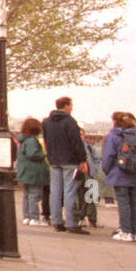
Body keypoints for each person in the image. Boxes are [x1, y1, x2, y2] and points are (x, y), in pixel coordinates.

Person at [42, 96, 89, 233]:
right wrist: (83, 159)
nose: (72, 108)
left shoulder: (46, 122)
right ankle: (71, 222)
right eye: (71, 105)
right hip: (69, 160)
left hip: (54, 160)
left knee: (55, 191)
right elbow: (76, 142)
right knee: (70, 191)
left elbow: (46, 140)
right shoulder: (70, 121)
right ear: (67, 105)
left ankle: (56, 220)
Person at [101, 112, 136, 242]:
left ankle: (126, 231)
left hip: (119, 173)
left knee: (123, 203)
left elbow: (108, 157)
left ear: (114, 121)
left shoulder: (113, 136)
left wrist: (107, 171)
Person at [16, 117, 49, 226]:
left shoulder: (23, 140)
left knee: (27, 195)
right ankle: (34, 217)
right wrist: (43, 155)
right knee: (34, 195)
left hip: (25, 172)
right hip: (33, 173)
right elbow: (32, 154)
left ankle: (26, 216)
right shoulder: (31, 140)